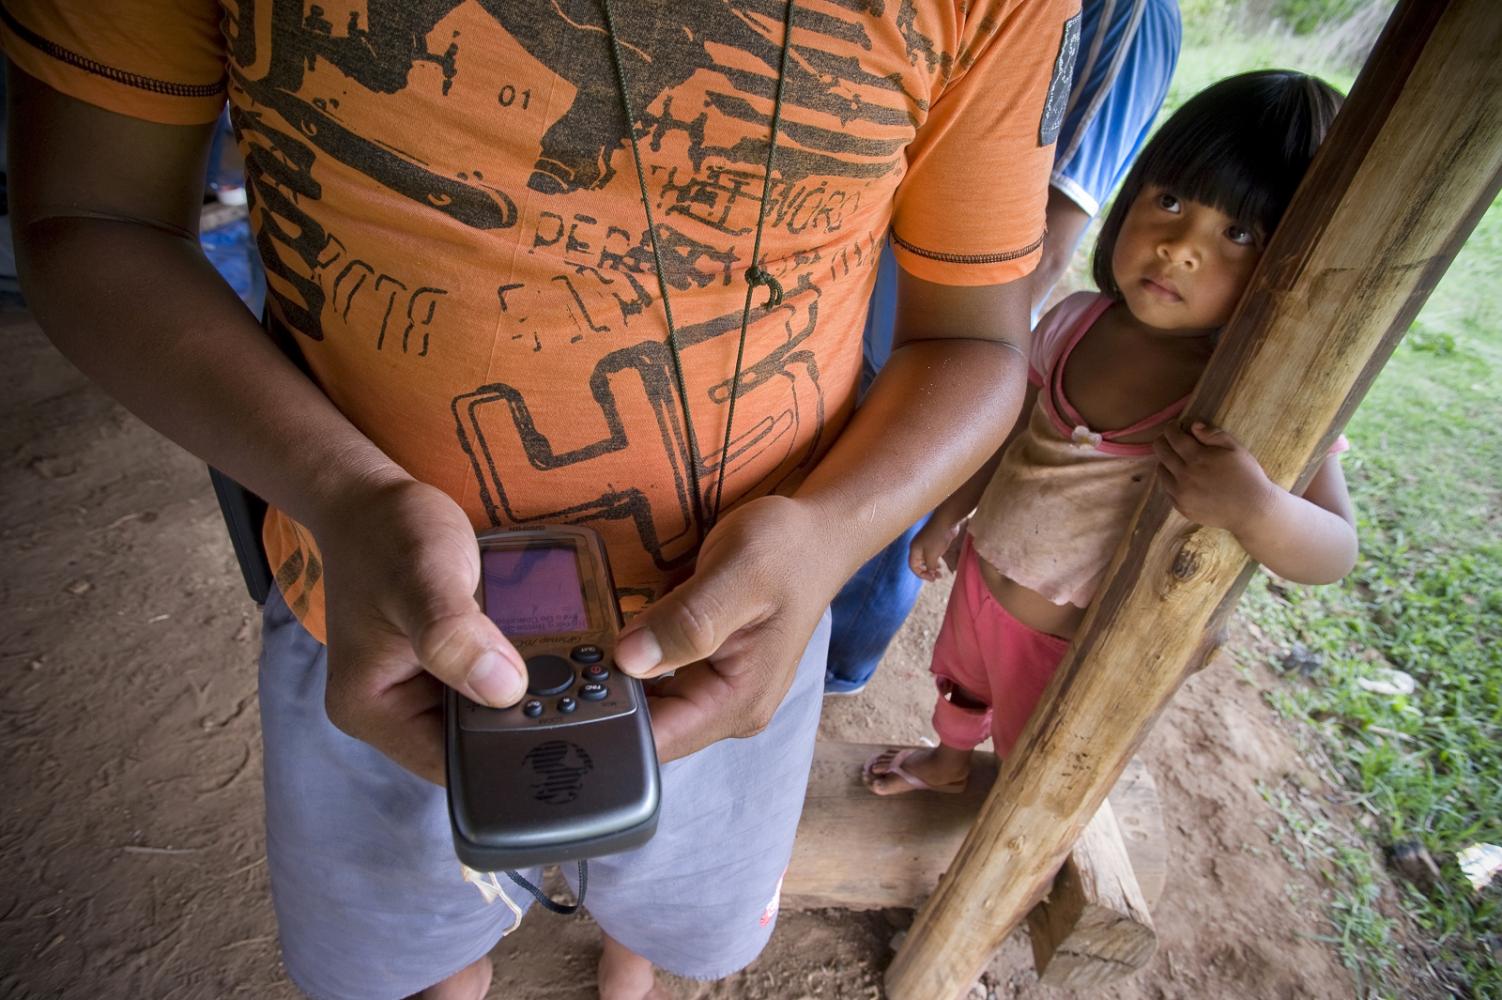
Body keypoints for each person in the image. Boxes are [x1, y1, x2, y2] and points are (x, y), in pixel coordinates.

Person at [4, 2, 1078, 997]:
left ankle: (628, 956)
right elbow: (90, 217)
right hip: (368, 630)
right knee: (410, 945)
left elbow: (976, 341)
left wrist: (830, 536)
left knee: (673, 918)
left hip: (745, 636)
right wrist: (337, 491)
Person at [864, 70, 1357, 796]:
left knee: (1033, 757)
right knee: (962, 679)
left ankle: (1011, 823)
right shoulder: (1075, 321)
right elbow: (1008, 431)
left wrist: (1256, 507)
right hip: (984, 576)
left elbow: (1335, 551)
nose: (1179, 247)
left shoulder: (1255, 400)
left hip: (1065, 642)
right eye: (1170, 201)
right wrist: (949, 513)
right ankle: (948, 761)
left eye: (1238, 233)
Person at [825, 0, 1181, 695]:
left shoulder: (1127, 17)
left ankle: (840, 667)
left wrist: (967, 355)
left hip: (935, 338)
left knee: (900, 478)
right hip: (892, 321)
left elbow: (1053, 223)